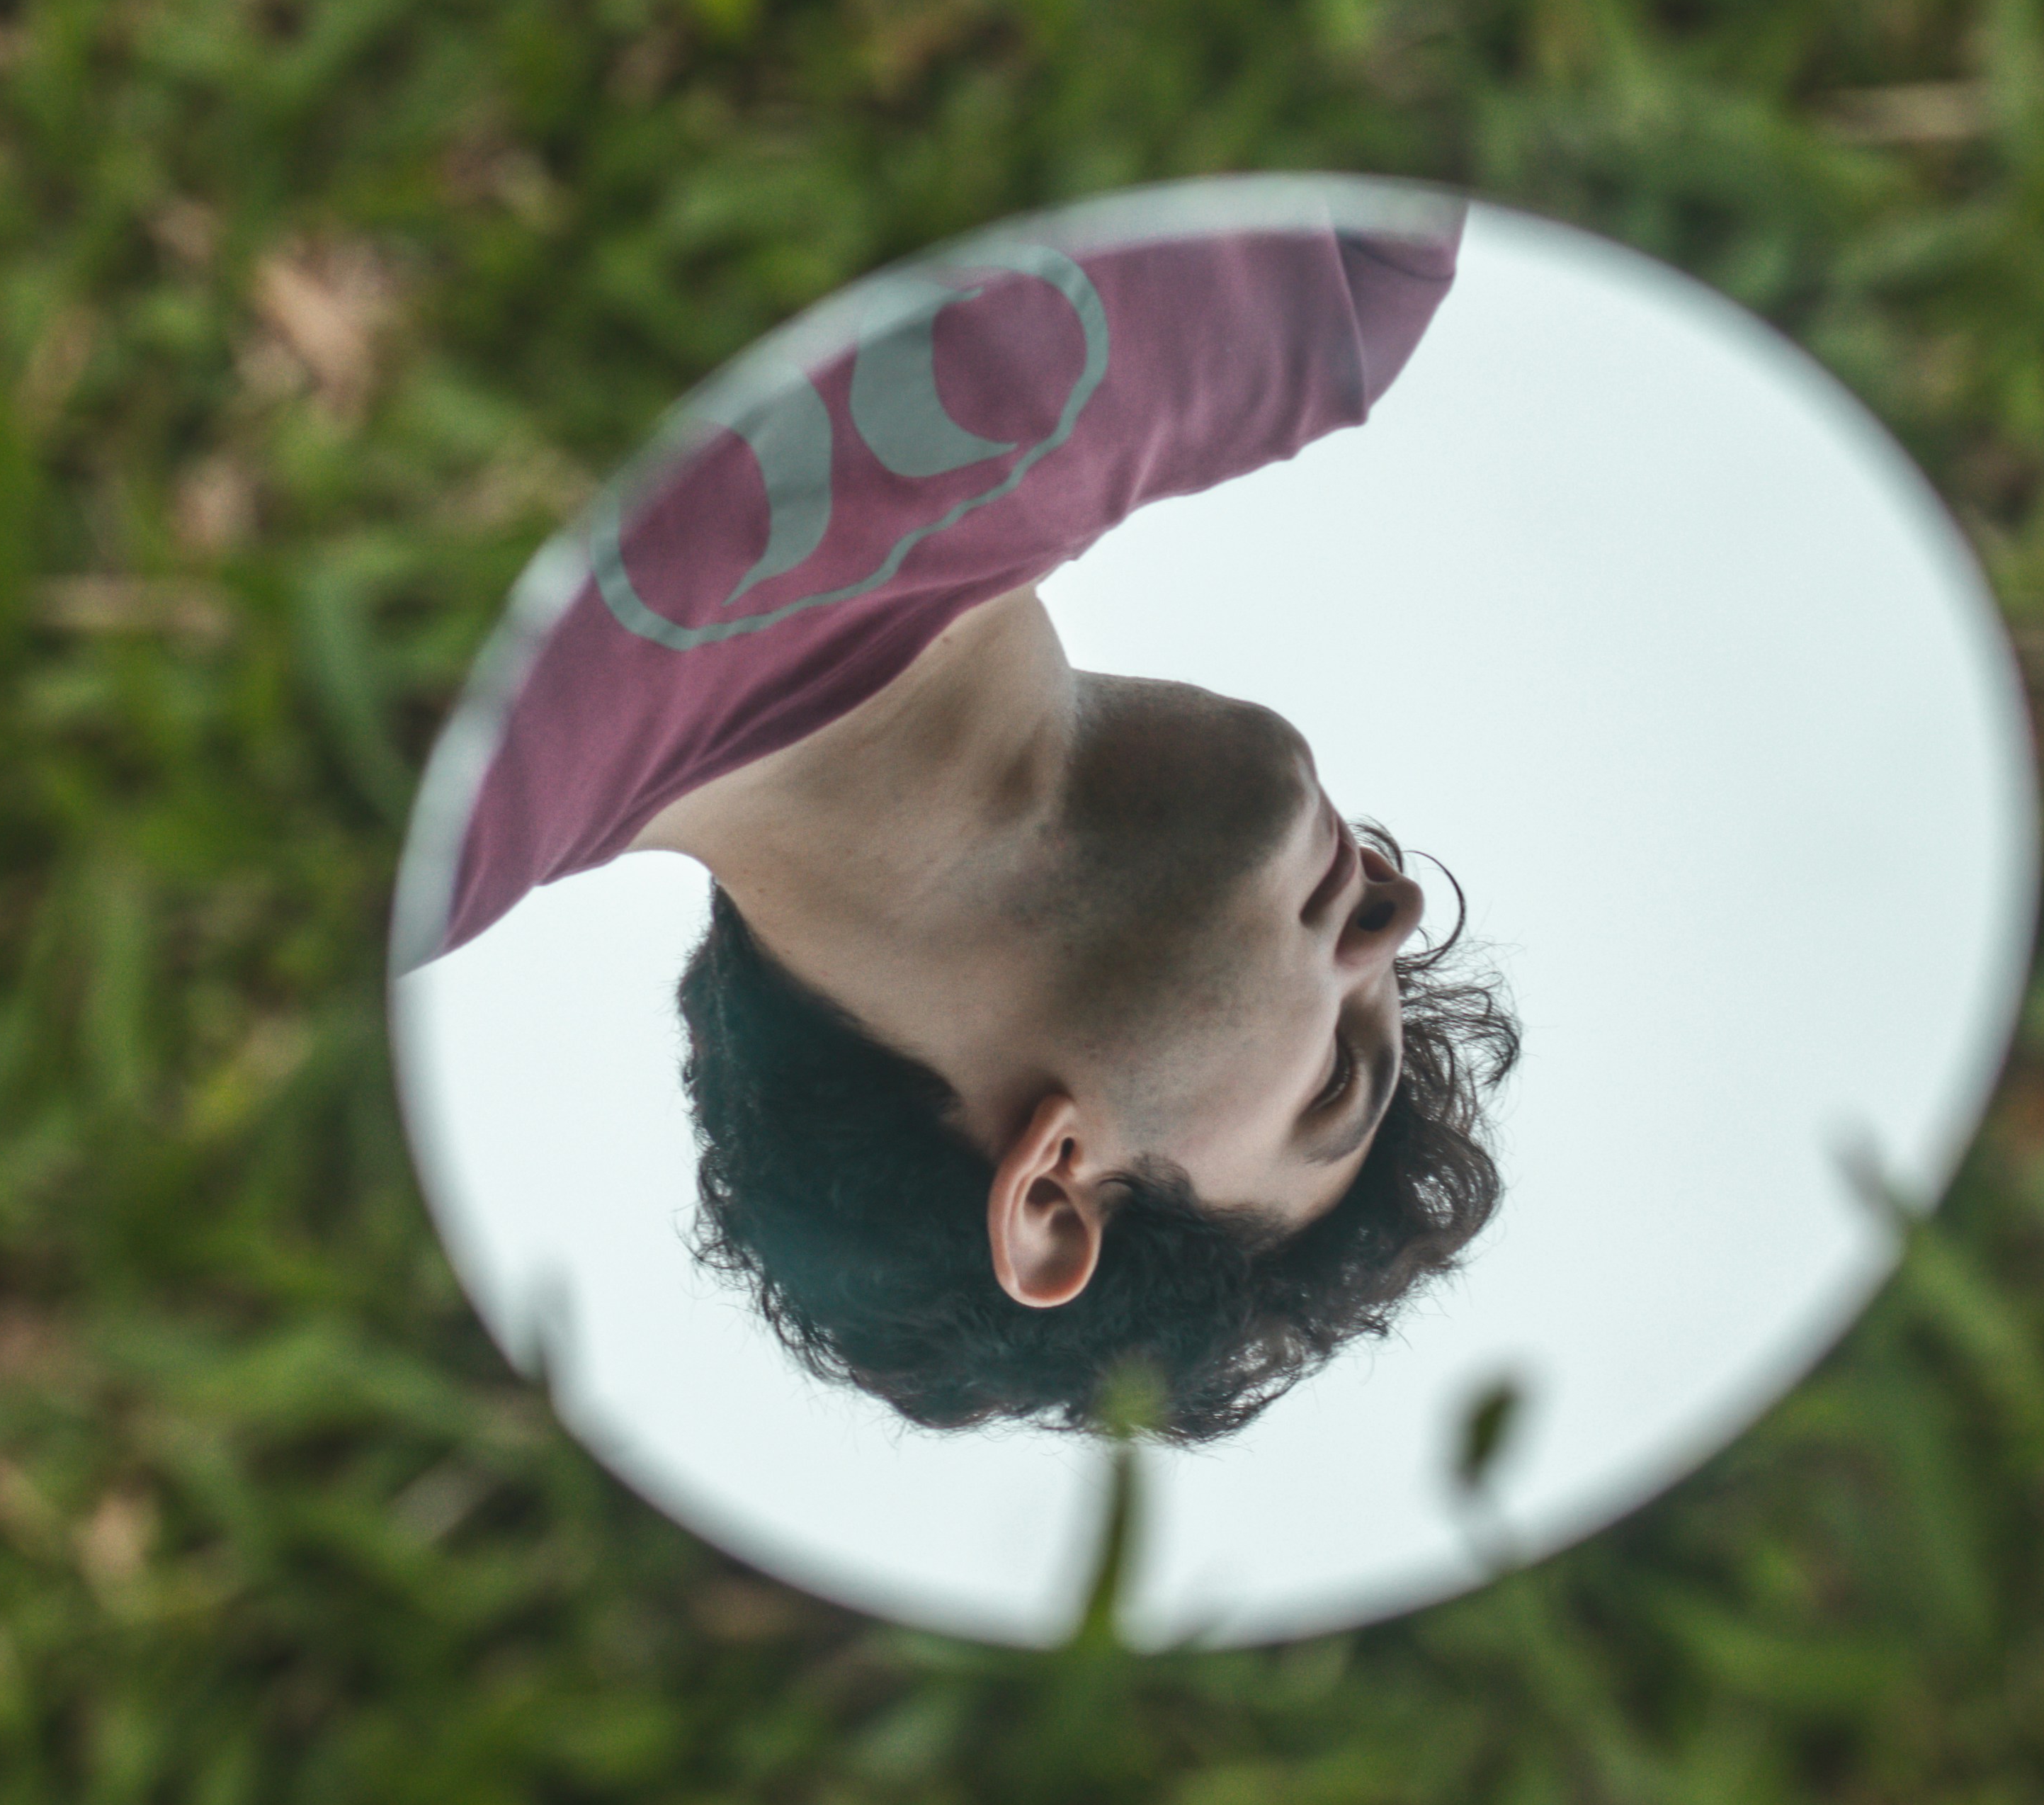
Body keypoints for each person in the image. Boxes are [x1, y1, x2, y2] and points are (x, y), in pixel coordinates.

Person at [431, 185, 1518, 1443]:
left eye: (1335, 1075)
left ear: (1055, 1194)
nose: (1393, 903)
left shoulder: (400, 832)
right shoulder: (1317, 290)